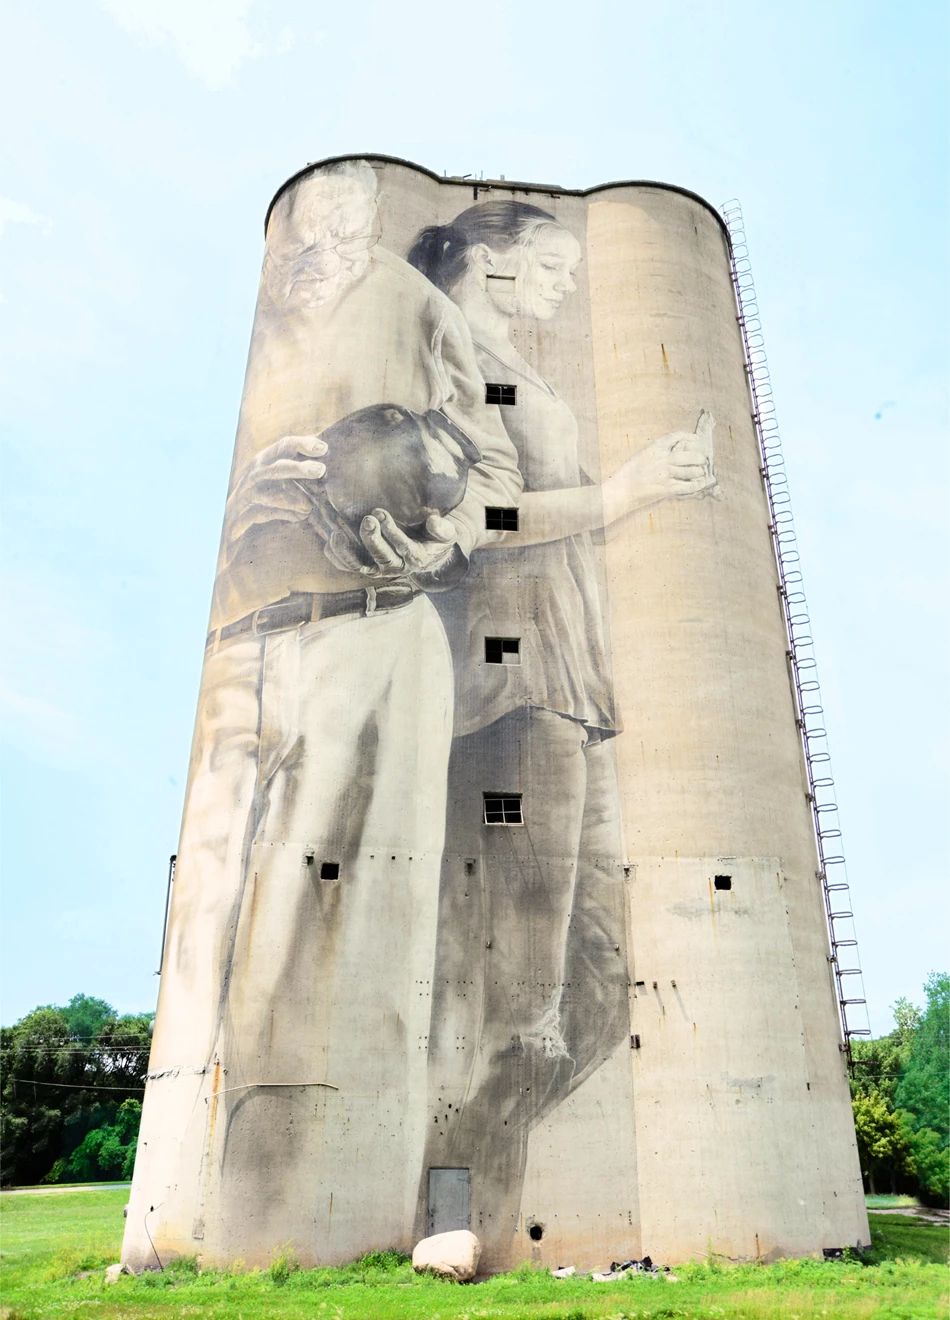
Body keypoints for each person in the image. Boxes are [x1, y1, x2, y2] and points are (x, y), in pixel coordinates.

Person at [128, 164, 523, 1265]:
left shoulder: (421, 312)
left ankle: (320, 1234)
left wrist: (443, 541)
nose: (327, 229)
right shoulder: (272, 328)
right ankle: (176, 1229)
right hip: (239, 650)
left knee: (342, 955)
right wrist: (253, 491)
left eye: (348, 211)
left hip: (370, 626)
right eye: (310, 220)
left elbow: (497, 471)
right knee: (204, 934)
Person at [407, 201, 717, 1256]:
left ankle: (464, 1193)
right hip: (505, 687)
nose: (565, 287)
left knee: (592, 983)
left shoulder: (514, 368)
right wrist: (620, 493)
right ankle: (450, 1223)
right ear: (488, 259)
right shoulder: (443, 349)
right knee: (519, 987)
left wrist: (634, 491)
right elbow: (469, 522)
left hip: (571, 692)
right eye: (549, 265)